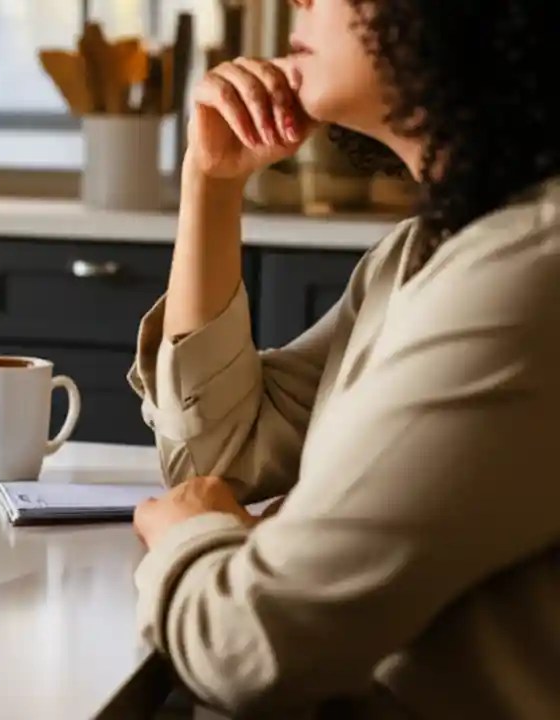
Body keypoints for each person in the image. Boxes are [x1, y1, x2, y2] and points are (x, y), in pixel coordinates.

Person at [127, 0, 560, 717]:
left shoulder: (532, 278)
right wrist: (212, 180)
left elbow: (249, 644)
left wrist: (187, 534)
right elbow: (220, 457)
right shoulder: (420, 255)